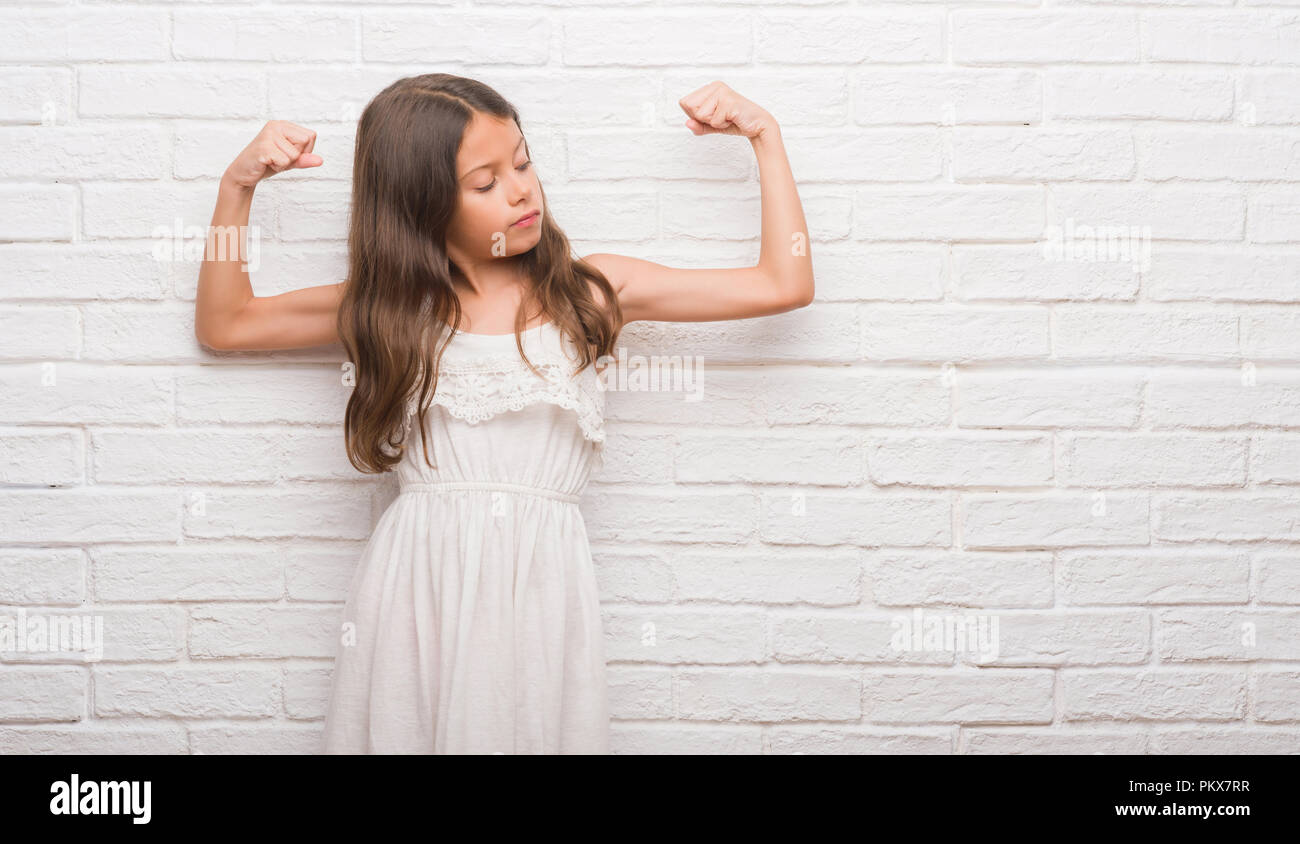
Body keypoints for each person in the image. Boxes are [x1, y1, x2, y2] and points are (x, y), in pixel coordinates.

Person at [194, 74, 814, 754]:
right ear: (421, 207)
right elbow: (226, 323)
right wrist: (237, 188)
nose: (521, 191)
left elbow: (783, 283)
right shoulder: (391, 309)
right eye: (484, 183)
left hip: (543, 584)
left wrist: (765, 137)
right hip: (416, 587)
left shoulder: (591, 292)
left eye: (522, 163)